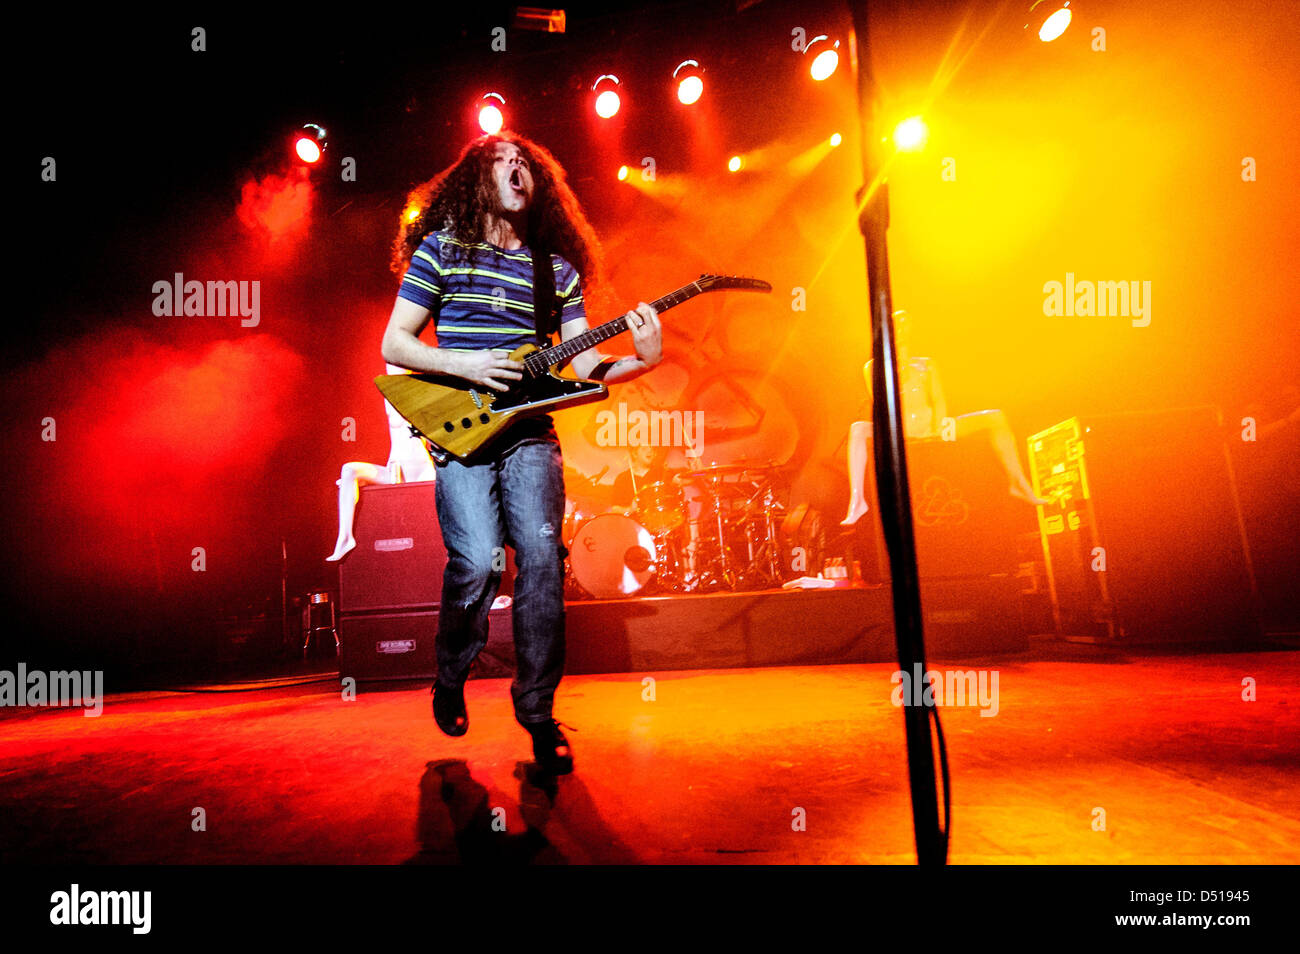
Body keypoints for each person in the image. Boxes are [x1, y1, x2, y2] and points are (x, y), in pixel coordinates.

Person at [381, 132, 663, 774]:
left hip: (532, 435)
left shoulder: (553, 270)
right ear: (476, 181)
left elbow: (582, 360)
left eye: (526, 164)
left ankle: (537, 713)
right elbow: (395, 344)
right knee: (478, 565)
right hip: (463, 434)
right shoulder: (442, 252)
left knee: (540, 560)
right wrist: (467, 364)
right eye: (502, 161)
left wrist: (641, 361)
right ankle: (450, 673)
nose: (516, 169)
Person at [842, 310, 1046, 526]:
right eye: (896, 325)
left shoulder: (926, 365)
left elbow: (938, 399)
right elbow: (881, 405)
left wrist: (938, 425)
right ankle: (857, 499)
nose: (900, 330)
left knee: (996, 418)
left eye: (904, 325)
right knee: (857, 429)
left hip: (933, 427)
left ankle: (1019, 482)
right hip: (900, 432)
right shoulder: (874, 367)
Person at [327, 367, 437, 562]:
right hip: (394, 469)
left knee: (433, 526)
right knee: (349, 470)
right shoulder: (388, 396)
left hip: (422, 472)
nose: (390, 370)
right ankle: (345, 537)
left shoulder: (421, 394)